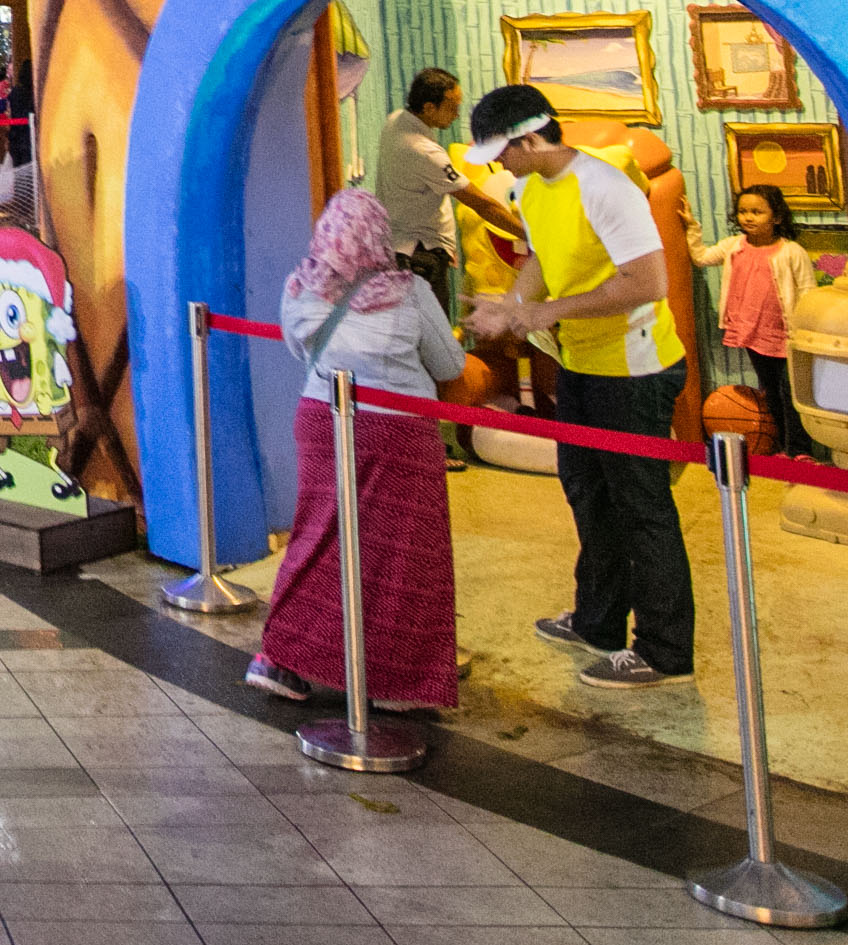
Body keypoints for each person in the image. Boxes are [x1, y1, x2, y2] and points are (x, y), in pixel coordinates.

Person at [462, 84, 692, 689]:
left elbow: (648, 282)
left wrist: (545, 313)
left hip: (636, 370)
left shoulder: (606, 187)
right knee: (587, 492)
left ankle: (666, 650)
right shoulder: (529, 188)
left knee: (642, 508)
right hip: (582, 362)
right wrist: (512, 305)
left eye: (502, 152)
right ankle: (598, 622)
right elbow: (539, 258)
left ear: (532, 140)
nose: (497, 165)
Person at [247, 187, 465, 716]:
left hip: (322, 420)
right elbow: (450, 364)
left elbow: (301, 351)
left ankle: (284, 660)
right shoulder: (408, 291)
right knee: (402, 555)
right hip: (399, 435)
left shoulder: (300, 286)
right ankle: (395, 679)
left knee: (320, 539)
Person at [370, 68, 529, 312]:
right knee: (433, 335)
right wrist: (528, 235)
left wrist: (445, 243)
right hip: (419, 257)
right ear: (428, 108)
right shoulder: (424, 152)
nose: (457, 115)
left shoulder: (396, 121)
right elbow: (482, 204)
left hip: (406, 247)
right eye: (452, 107)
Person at [693, 183, 822, 460]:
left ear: (776, 218)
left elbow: (808, 292)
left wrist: (807, 332)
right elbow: (701, 257)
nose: (748, 217)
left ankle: (800, 450)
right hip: (754, 334)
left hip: (787, 336)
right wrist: (690, 226)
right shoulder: (733, 247)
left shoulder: (791, 251)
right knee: (771, 393)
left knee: (792, 395)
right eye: (743, 211)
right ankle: (782, 446)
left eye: (757, 212)